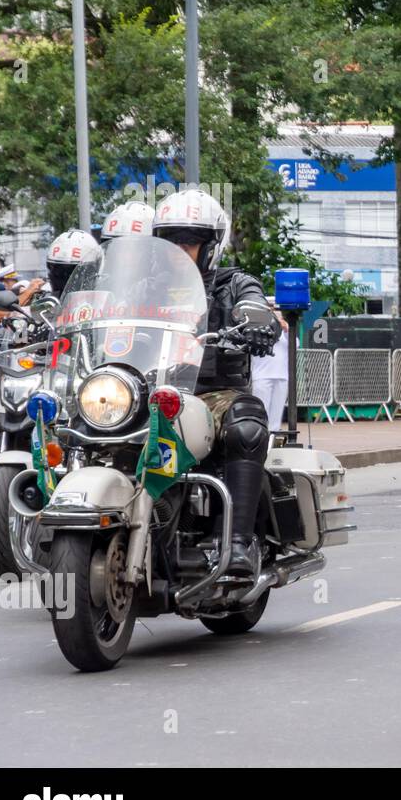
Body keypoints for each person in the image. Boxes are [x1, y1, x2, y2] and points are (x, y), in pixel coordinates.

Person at [152, 190, 281, 578]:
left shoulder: (234, 283)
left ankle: (238, 542)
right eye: (170, 241)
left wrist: (260, 325)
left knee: (246, 425)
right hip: (148, 390)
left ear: (210, 246)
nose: (179, 249)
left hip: (214, 394)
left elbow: (261, 311)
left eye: (188, 241)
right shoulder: (146, 286)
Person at [251, 297, 291, 432]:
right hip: (262, 375)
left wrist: (286, 330)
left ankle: (273, 437)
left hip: (281, 376)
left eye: (276, 308)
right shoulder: (258, 325)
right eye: (271, 307)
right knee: (261, 410)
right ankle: (260, 435)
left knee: (276, 413)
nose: (274, 311)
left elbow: (294, 346)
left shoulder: (285, 328)